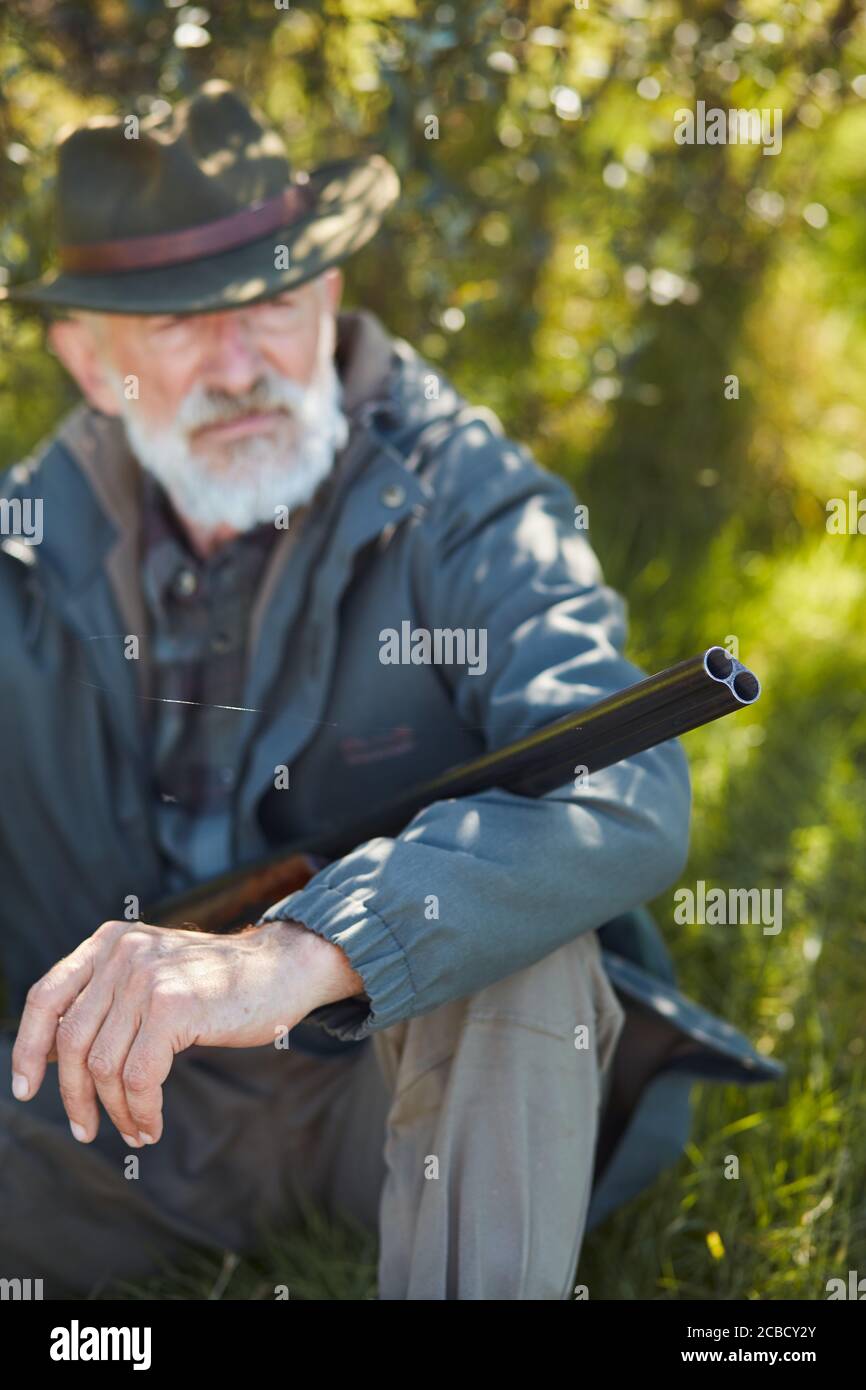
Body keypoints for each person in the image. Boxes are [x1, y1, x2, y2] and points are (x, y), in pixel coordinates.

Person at [0, 80, 781, 1301]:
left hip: (396, 1092)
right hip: (97, 1114)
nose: (240, 361)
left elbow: (622, 792)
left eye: (270, 300)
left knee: (513, 943)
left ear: (326, 294)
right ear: (88, 361)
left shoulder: (470, 497)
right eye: (178, 326)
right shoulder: (20, 548)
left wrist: (304, 948)